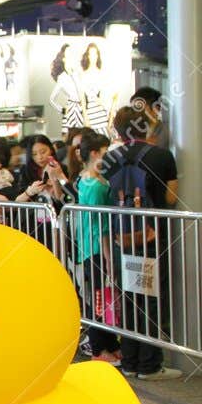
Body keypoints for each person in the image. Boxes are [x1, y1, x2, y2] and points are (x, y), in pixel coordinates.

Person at [101, 103, 180, 380]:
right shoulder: (162, 156)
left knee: (130, 297)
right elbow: (171, 199)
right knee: (152, 298)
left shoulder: (110, 159)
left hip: (121, 238)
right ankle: (150, 365)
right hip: (152, 238)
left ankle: (131, 361)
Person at [73, 129, 120, 364]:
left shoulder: (84, 179)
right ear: (94, 153)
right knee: (100, 298)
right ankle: (99, 349)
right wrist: (109, 256)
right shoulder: (98, 186)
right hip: (97, 247)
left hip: (87, 246)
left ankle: (107, 345)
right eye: (105, 152)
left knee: (99, 297)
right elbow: (100, 224)